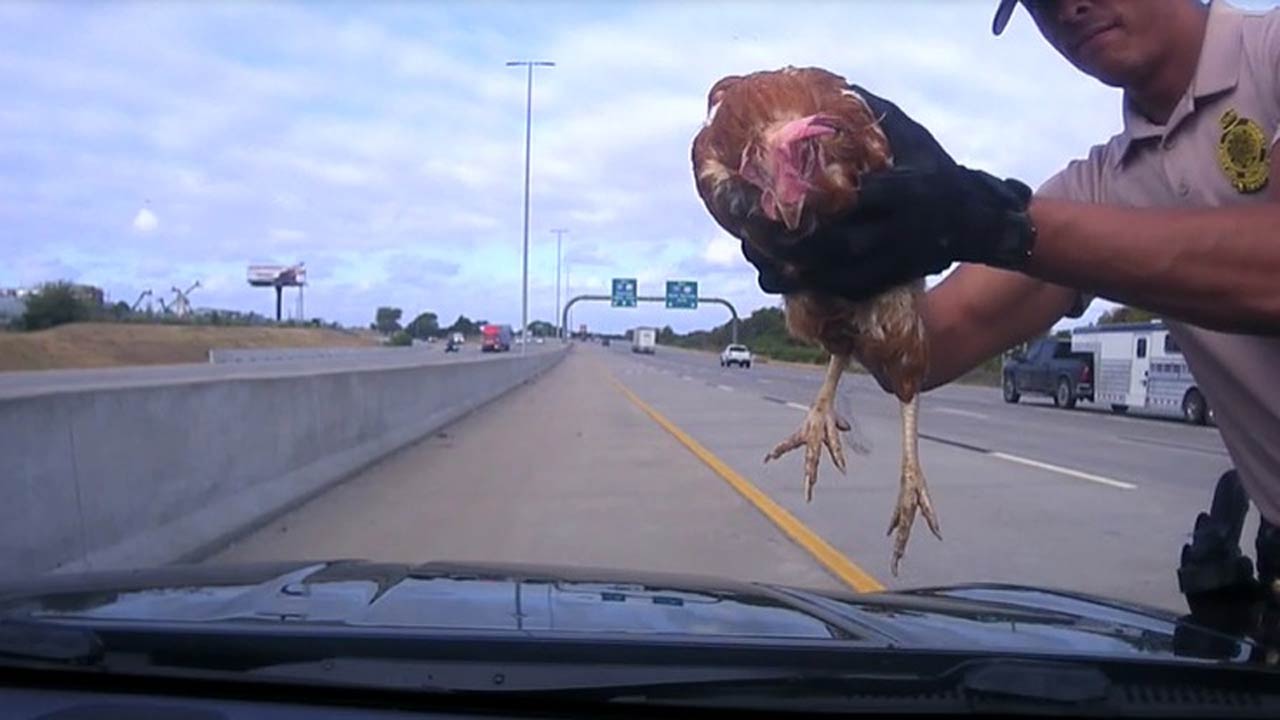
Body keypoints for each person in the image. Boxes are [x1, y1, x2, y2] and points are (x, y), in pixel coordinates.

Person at [742, 0, 1280, 599]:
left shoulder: (1271, 54)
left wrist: (997, 222)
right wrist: (829, 260)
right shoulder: (1102, 188)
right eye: (1040, 5)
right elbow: (933, 345)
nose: (1069, 9)